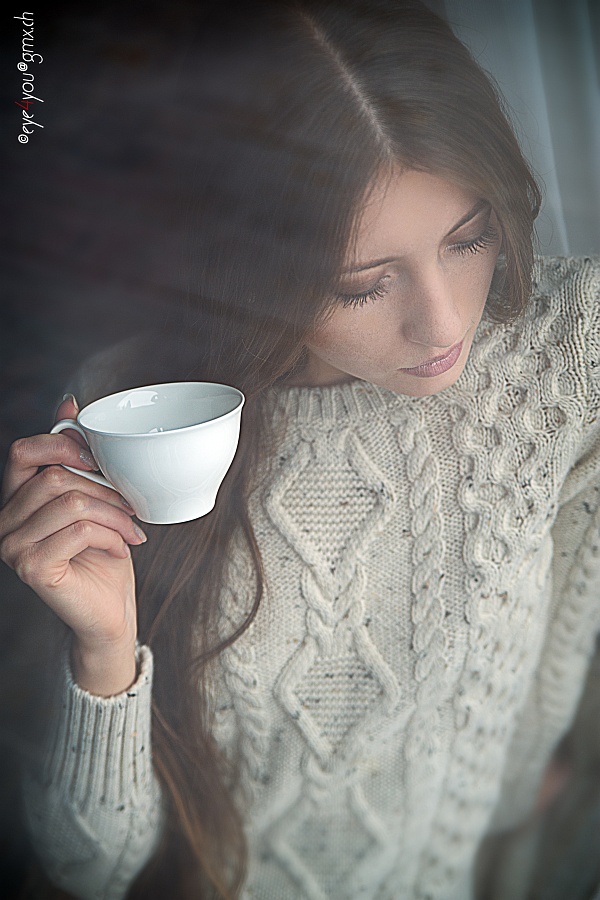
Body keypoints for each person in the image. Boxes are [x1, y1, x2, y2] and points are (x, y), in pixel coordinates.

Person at [1, 1, 599, 897]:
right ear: (255, 270)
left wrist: (539, 799)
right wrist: (102, 650)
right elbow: (94, 866)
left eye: (467, 237)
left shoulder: (566, 352)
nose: (443, 324)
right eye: (362, 285)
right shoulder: (135, 416)